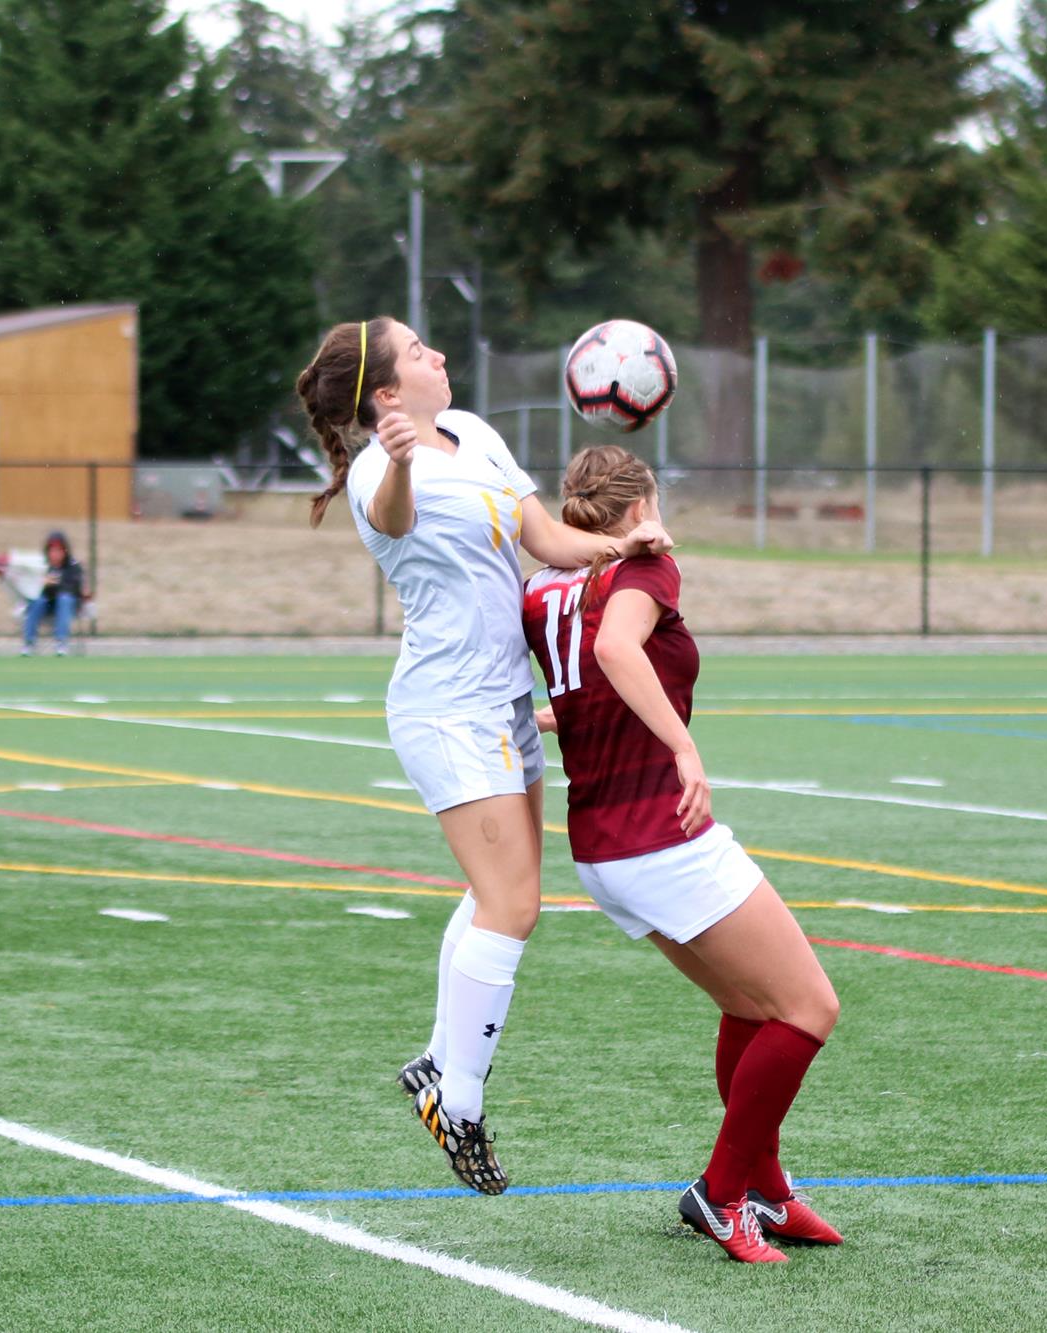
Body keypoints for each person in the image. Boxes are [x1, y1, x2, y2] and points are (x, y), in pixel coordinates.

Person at [295, 316, 670, 1194]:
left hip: (501, 701)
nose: (439, 356)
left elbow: (545, 540)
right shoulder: (377, 476)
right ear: (387, 393)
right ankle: (456, 1100)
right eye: (418, 352)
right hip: (446, 710)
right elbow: (396, 513)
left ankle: (436, 1064)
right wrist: (395, 457)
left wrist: (621, 547)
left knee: (496, 896)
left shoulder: (480, 436)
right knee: (515, 905)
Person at [523, 445, 842, 1265]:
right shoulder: (647, 569)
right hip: (657, 834)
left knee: (753, 1008)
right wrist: (685, 749)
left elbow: (579, 692)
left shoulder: (547, 586)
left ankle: (766, 1190)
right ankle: (722, 1190)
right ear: (642, 502)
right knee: (809, 1009)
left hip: (604, 846)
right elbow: (616, 655)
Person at [21, 530, 87, 656]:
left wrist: (57, 583)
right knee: (37, 601)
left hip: (68, 604)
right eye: (52, 550)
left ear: (65, 551)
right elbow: (32, 590)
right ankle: (29, 643)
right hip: (48, 604)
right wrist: (43, 584)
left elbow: (74, 588)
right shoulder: (42, 566)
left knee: (64, 599)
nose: (55, 554)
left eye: (59, 550)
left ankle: (61, 643)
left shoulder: (73, 566)